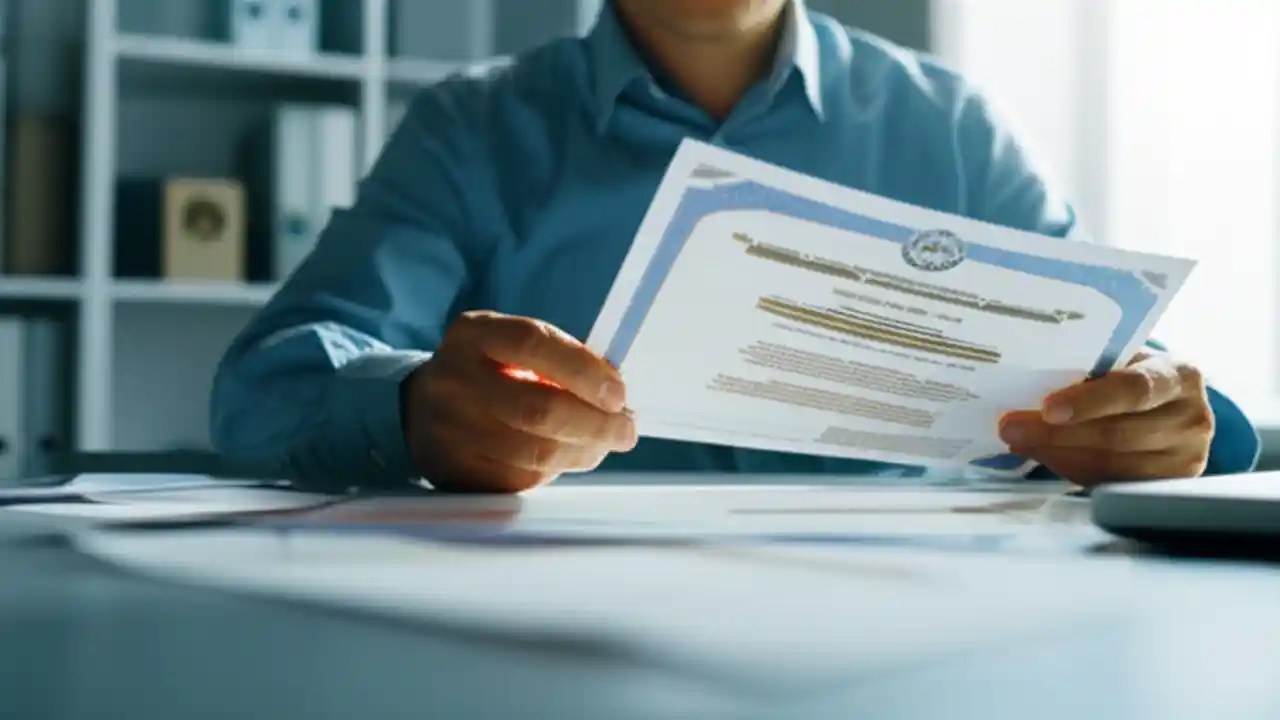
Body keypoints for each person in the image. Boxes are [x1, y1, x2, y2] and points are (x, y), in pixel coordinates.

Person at [211, 0, 1259, 493]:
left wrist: (1160, 420)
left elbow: (1130, 377)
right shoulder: (473, 130)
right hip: (562, 634)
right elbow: (264, 388)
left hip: (925, 629)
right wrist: (411, 409)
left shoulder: (952, 126)